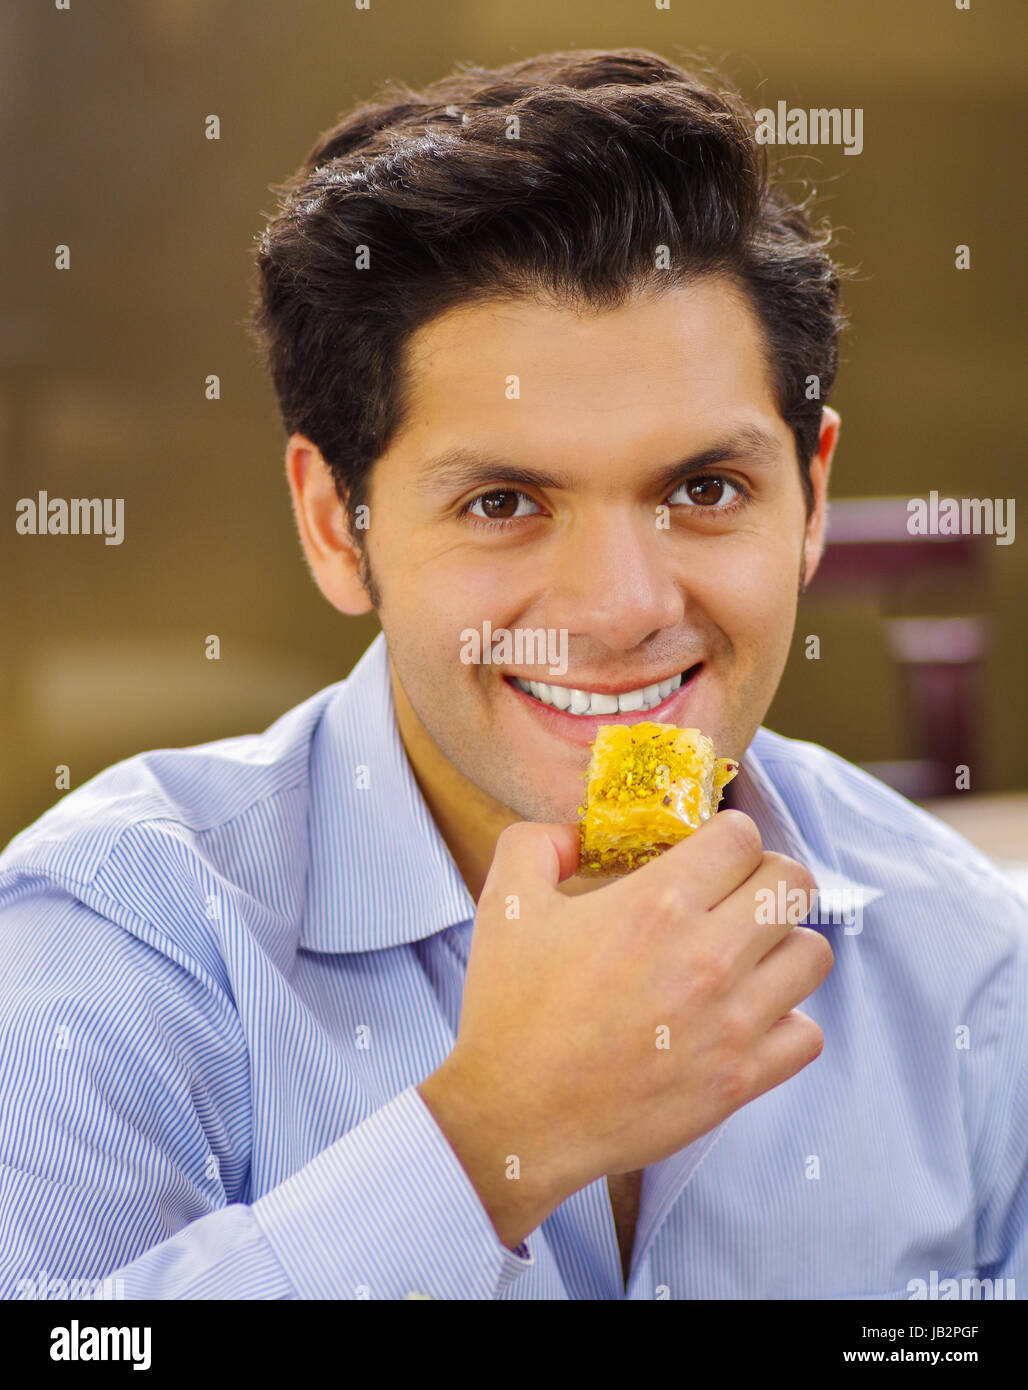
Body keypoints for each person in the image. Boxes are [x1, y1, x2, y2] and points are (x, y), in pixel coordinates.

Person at [1, 48, 1024, 1301]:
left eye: (704, 490)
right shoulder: (111, 951)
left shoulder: (973, 963)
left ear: (809, 497)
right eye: (502, 502)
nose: (622, 608)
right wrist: (483, 1145)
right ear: (337, 525)